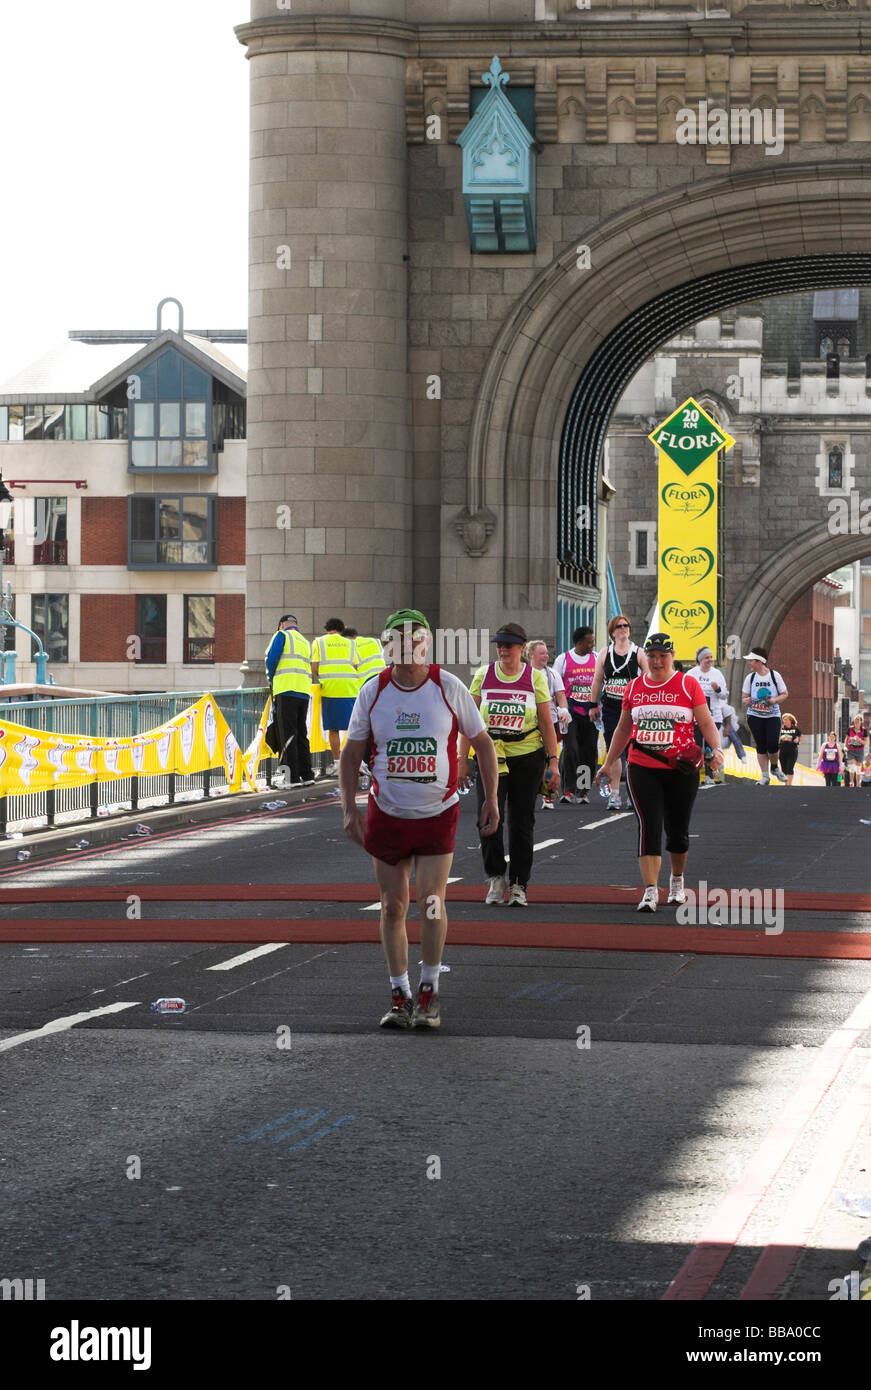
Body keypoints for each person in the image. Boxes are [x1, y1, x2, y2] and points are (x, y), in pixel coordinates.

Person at [340, 609, 499, 1030]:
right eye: (399, 643)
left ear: (426, 646)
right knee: (393, 905)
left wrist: (491, 799)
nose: (407, 652)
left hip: (437, 812)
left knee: (431, 902)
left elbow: (482, 743)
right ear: (387, 647)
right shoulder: (373, 692)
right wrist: (348, 807)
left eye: (416, 643)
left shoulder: (448, 686)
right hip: (387, 811)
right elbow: (351, 754)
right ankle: (400, 994)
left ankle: (428, 990)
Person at [598, 632, 723, 912]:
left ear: (672, 656)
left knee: (677, 830)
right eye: (651, 656)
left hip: (681, 768)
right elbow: (623, 728)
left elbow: (705, 722)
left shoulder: (688, 684)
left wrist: (717, 750)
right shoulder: (633, 688)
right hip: (642, 765)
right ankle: (650, 890)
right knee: (649, 825)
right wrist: (608, 763)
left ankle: (677, 880)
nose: (656, 662)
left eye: (662, 656)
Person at [460, 622, 560, 906]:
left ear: (522, 648)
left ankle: (518, 883)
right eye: (499, 645)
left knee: (521, 821)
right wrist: (462, 760)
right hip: (490, 755)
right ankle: (495, 877)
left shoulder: (534, 678)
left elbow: (545, 722)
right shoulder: (484, 675)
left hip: (527, 755)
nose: (502, 649)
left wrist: (553, 761)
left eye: (508, 645)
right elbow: (468, 721)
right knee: (487, 817)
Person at [590, 615, 648, 810]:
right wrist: (592, 705)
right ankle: (614, 795)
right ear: (612, 631)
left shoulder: (638, 653)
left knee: (633, 751)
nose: (623, 629)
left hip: (633, 709)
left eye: (626, 626)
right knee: (613, 751)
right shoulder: (604, 653)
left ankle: (633, 794)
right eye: (619, 626)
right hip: (611, 708)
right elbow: (597, 680)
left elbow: (648, 678)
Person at [263, 614, 314, 786]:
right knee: (301, 734)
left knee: (287, 734)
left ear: (282, 624)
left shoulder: (282, 635)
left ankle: (290, 778)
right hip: (304, 691)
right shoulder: (305, 642)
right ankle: (307, 775)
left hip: (286, 689)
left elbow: (272, 660)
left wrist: (270, 677)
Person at [553, 626, 599, 805]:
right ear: (579, 643)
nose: (592, 645)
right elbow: (556, 686)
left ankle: (583, 791)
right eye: (590, 642)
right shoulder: (563, 659)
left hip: (591, 714)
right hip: (570, 714)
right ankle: (568, 789)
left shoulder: (596, 659)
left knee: (588, 752)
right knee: (571, 749)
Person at [526, 639, 570, 810]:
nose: (546, 656)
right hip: (528, 723)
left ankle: (548, 795)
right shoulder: (524, 673)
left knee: (548, 759)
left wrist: (564, 709)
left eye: (546, 653)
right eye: (542, 653)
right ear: (531, 655)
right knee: (530, 760)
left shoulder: (552, 674)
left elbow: (560, 695)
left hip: (549, 722)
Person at [311, 618, 358, 775]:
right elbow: (356, 665)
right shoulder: (351, 643)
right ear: (341, 629)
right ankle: (354, 761)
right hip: (350, 688)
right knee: (353, 728)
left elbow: (314, 667)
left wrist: (324, 676)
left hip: (330, 689)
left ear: (327, 629)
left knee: (333, 729)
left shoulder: (319, 642)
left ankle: (338, 763)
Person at [741, 648, 789, 785]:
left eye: (752, 661)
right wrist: (748, 700)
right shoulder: (750, 678)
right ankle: (764, 776)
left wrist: (774, 701)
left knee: (772, 744)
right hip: (754, 716)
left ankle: (774, 767)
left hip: (772, 715)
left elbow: (785, 693)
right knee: (761, 745)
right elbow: (744, 698)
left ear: (760, 662)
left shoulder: (774, 676)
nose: (749, 663)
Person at [687, 646, 728, 786]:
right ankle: (696, 775)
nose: (710, 660)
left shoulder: (717, 674)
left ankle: (711, 776)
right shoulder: (691, 674)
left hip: (714, 717)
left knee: (711, 747)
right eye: (707, 657)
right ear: (700, 660)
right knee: (697, 746)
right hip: (695, 717)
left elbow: (724, 695)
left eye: (711, 657)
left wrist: (717, 689)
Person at [719, 703, 748, 767]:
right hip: (713, 721)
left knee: (734, 737)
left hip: (724, 721)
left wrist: (727, 727)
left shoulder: (722, 704)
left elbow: (728, 715)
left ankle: (742, 755)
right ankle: (718, 761)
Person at [844, 715, 869, 787]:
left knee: (858, 769)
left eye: (858, 720)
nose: (856, 721)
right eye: (855, 719)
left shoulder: (864, 730)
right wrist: (845, 747)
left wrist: (859, 740)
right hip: (851, 750)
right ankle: (851, 782)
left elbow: (865, 743)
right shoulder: (850, 729)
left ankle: (858, 784)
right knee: (852, 766)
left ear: (861, 722)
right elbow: (847, 739)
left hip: (860, 751)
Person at [778, 713, 801, 786]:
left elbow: (800, 737)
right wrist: (781, 738)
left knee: (789, 768)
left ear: (790, 721)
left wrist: (797, 739)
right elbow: (777, 738)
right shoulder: (781, 728)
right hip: (782, 751)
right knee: (783, 769)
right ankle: (786, 784)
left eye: (786, 720)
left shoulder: (795, 729)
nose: (784, 721)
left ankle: (789, 784)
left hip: (792, 751)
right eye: (783, 720)